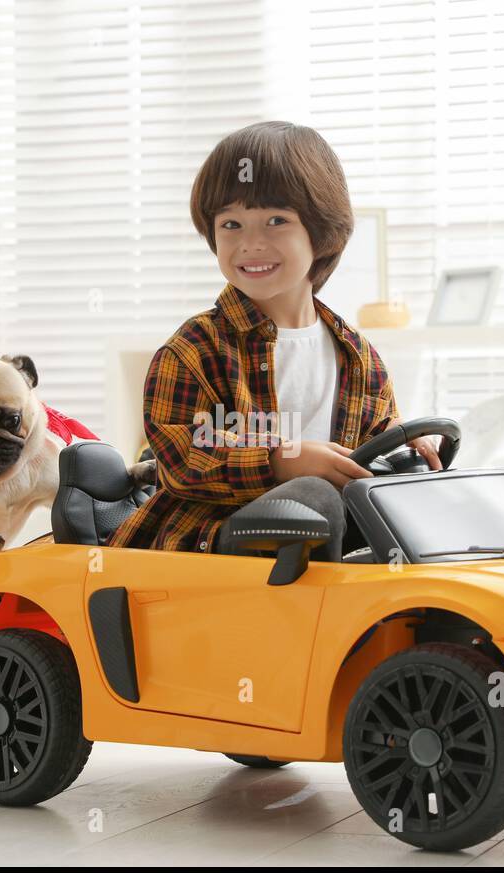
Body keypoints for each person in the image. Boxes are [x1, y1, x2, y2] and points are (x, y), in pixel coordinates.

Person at [106, 121, 440, 560]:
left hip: (323, 540)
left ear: (321, 232)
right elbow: (177, 459)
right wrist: (280, 459)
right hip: (209, 544)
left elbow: (369, 444)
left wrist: (401, 440)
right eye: (231, 224)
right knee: (312, 500)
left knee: (407, 503)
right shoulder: (193, 350)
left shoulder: (357, 355)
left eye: (276, 221)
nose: (251, 244)